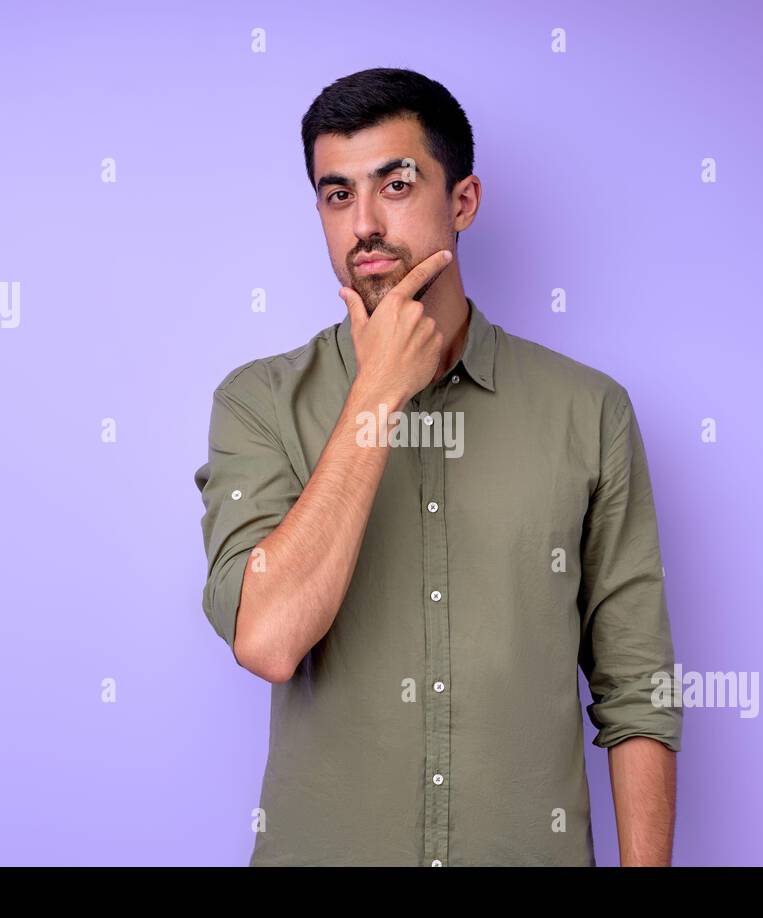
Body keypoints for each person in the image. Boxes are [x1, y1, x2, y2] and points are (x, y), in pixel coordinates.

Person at [195, 67, 681, 866]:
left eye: (396, 184)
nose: (365, 226)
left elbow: (639, 695)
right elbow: (270, 639)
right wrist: (376, 396)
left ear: (462, 201)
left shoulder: (589, 412)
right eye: (337, 195)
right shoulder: (257, 403)